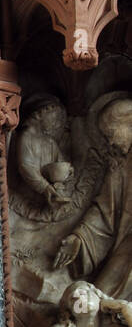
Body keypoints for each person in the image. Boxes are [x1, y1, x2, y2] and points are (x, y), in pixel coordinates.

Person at [54, 99, 132, 295]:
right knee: (101, 297)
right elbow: (105, 212)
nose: (110, 142)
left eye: (112, 133)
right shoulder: (119, 167)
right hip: (127, 247)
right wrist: (79, 238)